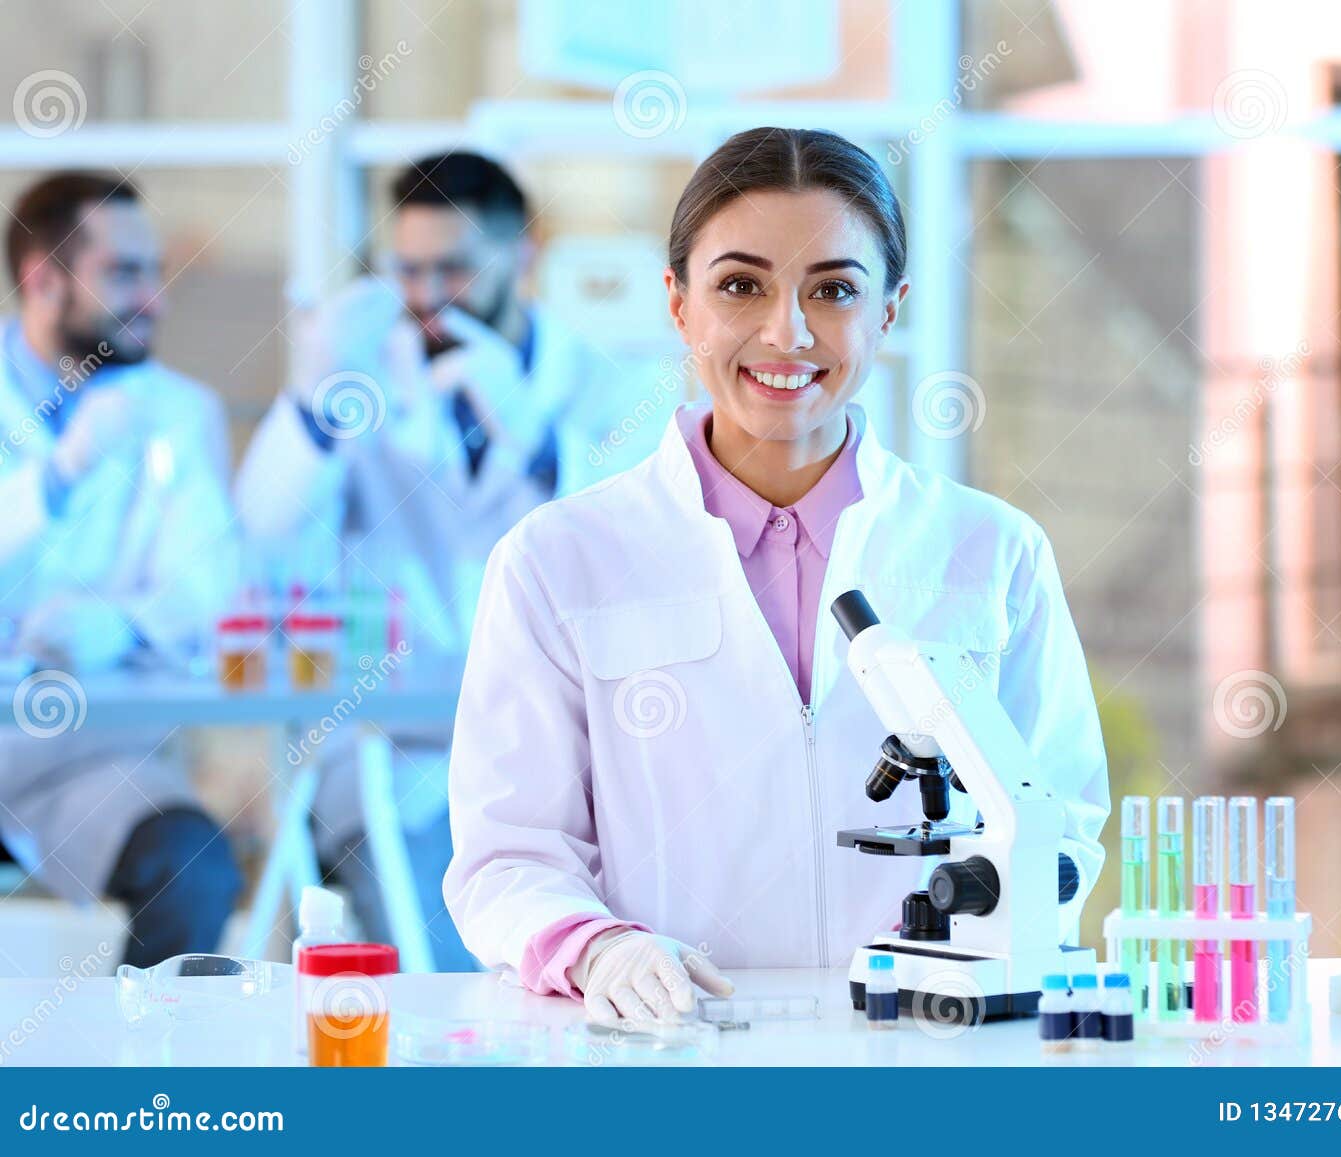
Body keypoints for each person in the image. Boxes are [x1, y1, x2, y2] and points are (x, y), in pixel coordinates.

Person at [444, 128, 1111, 1025]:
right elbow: (508, 853)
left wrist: (973, 954)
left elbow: (1059, 816)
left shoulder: (992, 552)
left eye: (833, 289)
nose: (786, 331)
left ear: (891, 309)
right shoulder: (559, 559)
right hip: (675, 1046)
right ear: (679, 303)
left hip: (928, 1047)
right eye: (740, 285)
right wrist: (596, 946)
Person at [235, 152, 625, 970]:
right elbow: (265, 536)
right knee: (435, 953)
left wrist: (542, 443)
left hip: (558, 744)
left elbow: (637, 553)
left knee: (570, 927)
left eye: (453, 267)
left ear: (524, 255)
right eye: (408, 269)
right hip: (391, 744)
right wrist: (310, 403)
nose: (426, 294)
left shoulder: (601, 386)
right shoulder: (366, 380)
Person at [0, 173, 242, 967]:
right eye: (125, 272)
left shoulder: (179, 411)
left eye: (155, 271)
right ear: (42, 278)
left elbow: (209, 595)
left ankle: (129, 1084)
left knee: (196, 870)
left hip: (92, 757)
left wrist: (122, 626)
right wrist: (54, 481)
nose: (154, 297)